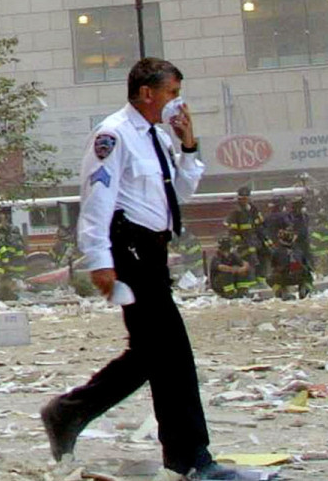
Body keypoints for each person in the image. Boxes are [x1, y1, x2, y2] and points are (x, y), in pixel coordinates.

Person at [40, 59, 237, 481]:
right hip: (127, 248)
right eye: (171, 92)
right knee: (172, 354)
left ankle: (68, 412)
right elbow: (97, 198)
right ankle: (190, 458)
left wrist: (187, 146)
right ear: (147, 93)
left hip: (151, 250)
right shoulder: (114, 135)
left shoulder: (157, 139)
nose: (177, 102)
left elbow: (177, 196)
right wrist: (99, 260)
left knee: (150, 353)